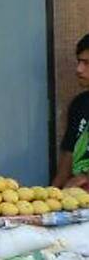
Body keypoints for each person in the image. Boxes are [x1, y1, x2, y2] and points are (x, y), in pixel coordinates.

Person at [54, 33, 89, 189]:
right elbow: (69, 152)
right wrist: (53, 194)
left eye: (87, 63)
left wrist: (85, 177)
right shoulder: (79, 104)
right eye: (79, 62)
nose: (79, 69)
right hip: (77, 198)